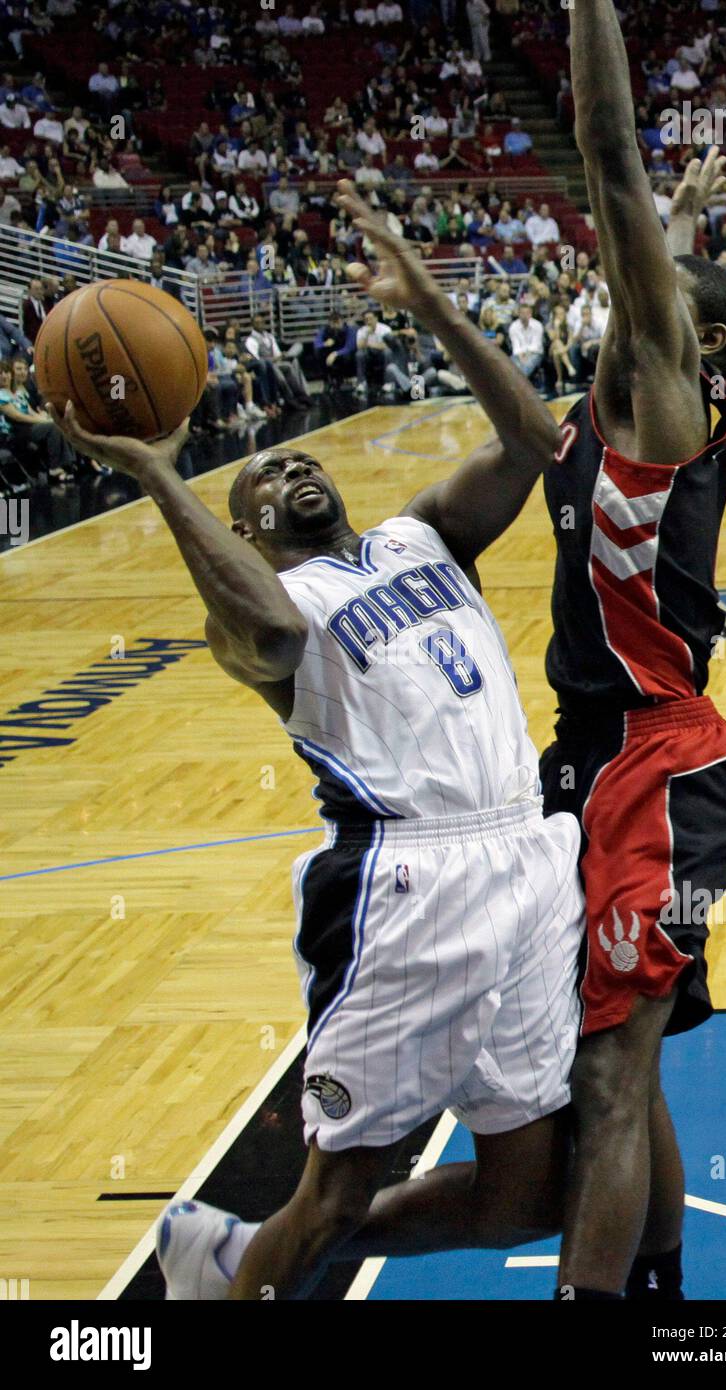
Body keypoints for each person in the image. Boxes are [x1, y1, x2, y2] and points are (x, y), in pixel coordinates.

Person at [50, 181, 585, 1301]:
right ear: (239, 528)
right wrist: (158, 468)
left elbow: (540, 442)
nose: (291, 470)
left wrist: (429, 301)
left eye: (298, 460)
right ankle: (246, 1275)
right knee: (335, 1186)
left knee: (524, 1196)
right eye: (263, 479)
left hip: (530, 857)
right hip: (407, 884)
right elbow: (270, 623)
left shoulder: (420, 535)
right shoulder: (255, 619)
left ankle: (246, 1255)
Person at [540, 3, 726, 1307]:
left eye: (657, 298)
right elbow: (636, 260)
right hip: (606, 766)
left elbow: (607, 155)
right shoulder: (618, 400)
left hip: (666, 779)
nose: (629, 303)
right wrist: (670, 232)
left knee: (606, 1079)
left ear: (698, 347)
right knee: (630, 1066)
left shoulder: (665, 411)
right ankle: (663, 1295)